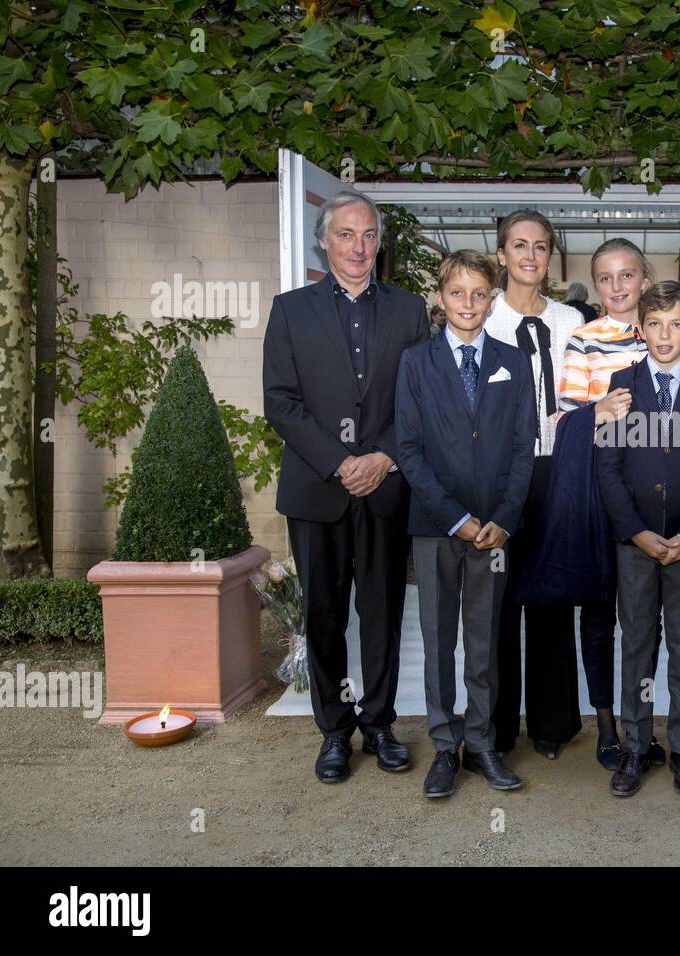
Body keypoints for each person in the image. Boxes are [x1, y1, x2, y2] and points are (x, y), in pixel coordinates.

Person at [263, 190, 430, 784]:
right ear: (322, 241)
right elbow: (280, 403)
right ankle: (335, 731)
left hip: (386, 487)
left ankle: (380, 723)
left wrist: (382, 456)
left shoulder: (411, 310)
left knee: (382, 611)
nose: (358, 247)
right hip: (317, 489)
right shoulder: (290, 309)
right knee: (325, 614)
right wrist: (340, 463)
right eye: (345, 235)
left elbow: (419, 398)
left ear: (377, 244)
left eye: (367, 236)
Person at [395, 251, 536, 798]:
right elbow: (407, 449)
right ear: (440, 297)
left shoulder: (513, 360)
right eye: (457, 293)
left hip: (495, 530)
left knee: (483, 642)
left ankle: (481, 742)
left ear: (492, 298)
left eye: (479, 294)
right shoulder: (416, 363)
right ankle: (444, 745)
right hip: (436, 526)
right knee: (438, 641)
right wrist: (455, 518)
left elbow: (525, 447)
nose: (468, 304)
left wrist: (503, 517)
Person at [595, 281, 680, 797]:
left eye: (676, 324)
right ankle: (634, 747)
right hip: (635, 543)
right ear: (641, 328)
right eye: (654, 324)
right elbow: (608, 468)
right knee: (637, 645)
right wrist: (637, 532)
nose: (665, 334)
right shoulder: (621, 383)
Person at [557, 238, 666, 769]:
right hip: (601, 498)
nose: (618, 286)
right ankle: (605, 725)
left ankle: (640, 724)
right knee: (600, 617)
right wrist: (598, 409)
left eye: (627, 275)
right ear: (596, 285)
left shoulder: (668, 332)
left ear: (644, 278)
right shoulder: (584, 340)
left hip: (657, 498)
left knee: (647, 621)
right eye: (606, 278)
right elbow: (563, 422)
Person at [485, 210, 586, 759]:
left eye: (540, 246)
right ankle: (497, 729)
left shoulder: (572, 321)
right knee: (498, 604)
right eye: (518, 245)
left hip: (558, 473)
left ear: (550, 257)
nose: (529, 255)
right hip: (500, 475)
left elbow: (590, 398)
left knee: (551, 601)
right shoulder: (484, 318)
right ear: (501, 254)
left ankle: (552, 723)